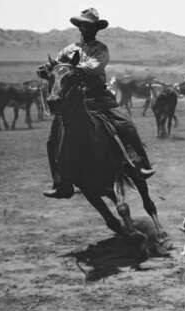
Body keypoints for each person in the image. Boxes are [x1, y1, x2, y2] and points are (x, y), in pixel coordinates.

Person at [40, 8, 154, 199]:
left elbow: (94, 66)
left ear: (96, 29)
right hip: (73, 101)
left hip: (99, 98)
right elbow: (57, 70)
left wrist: (72, 69)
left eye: (91, 26)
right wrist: (47, 71)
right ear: (80, 27)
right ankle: (60, 183)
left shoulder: (101, 49)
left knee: (126, 125)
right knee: (52, 141)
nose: (87, 29)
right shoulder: (67, 50)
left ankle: (140, 165)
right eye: (84, 25)